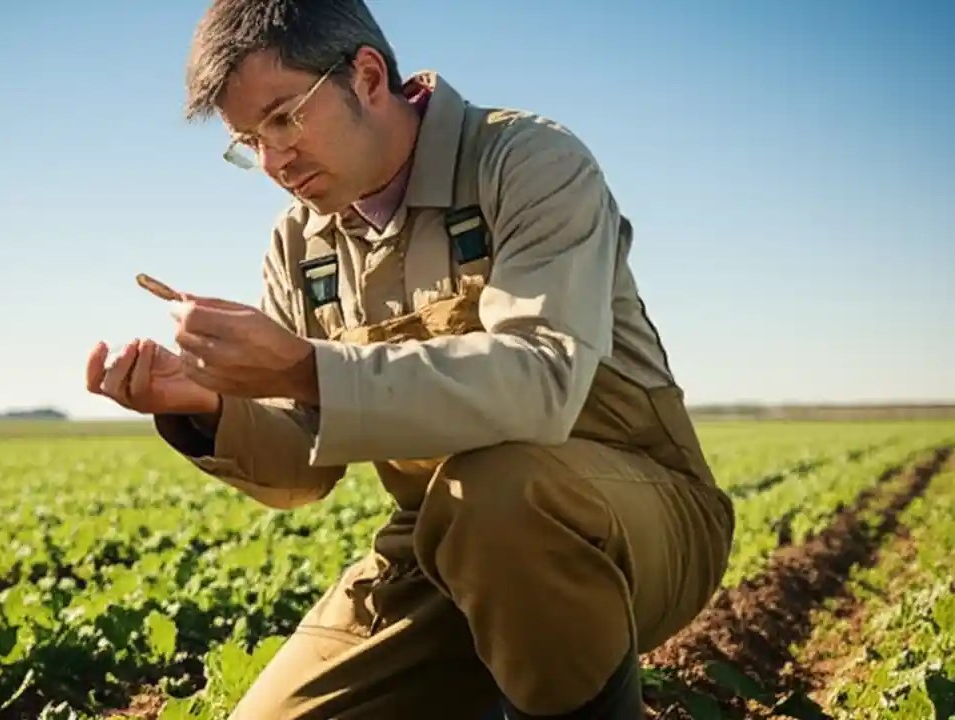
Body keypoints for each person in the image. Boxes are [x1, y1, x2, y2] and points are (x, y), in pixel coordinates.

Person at [85, 1, 736, 717]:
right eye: (248, 141)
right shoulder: (299, 243)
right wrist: (209, 407)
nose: (273, 162)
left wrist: (305, 367)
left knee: (499, 488)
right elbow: (307, 465)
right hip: (437, 544)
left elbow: (542, 380)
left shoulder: (526, 161)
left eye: (283, 119)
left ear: (366, 76)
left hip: (630, 521)